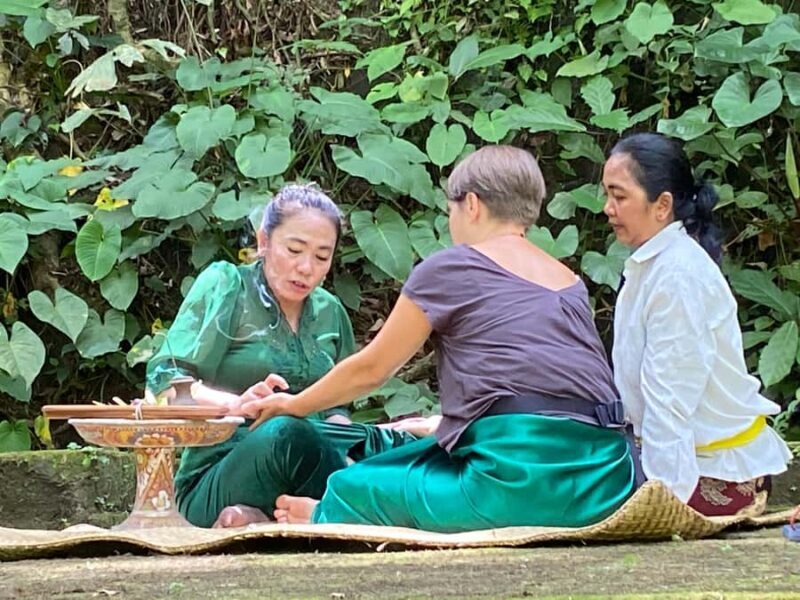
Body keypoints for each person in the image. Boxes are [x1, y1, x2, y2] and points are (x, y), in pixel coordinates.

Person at [240, 145, 637, 532]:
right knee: (411, 456)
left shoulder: (451, 266)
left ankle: (327, 515)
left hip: (515, 482)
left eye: (451, 209)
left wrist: (294, 404)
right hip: (607, 478)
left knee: (353, 484)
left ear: (473, 205)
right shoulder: (569, 280)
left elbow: (373, 369)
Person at [145, 183, 362, 528]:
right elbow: (164, 382)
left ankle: (283, 515)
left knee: (390, 452)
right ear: (263, 241)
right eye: (294, 250)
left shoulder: (330, 312)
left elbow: (337, 408)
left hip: (312, 470)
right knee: (284, 432)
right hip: (220, 471)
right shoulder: (226, 285)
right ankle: (338, 508)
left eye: (322, 257)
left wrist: (355, 449)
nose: (307, 267)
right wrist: (234, 405)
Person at [602, 132, 792, 516]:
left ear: (662, 205)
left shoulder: (677, 276)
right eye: (608, 195)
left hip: (714, 473)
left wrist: (660, 502)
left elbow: (669, 400)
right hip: (674, 456)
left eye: (619, 197)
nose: (608, 208)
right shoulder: (655, 265)